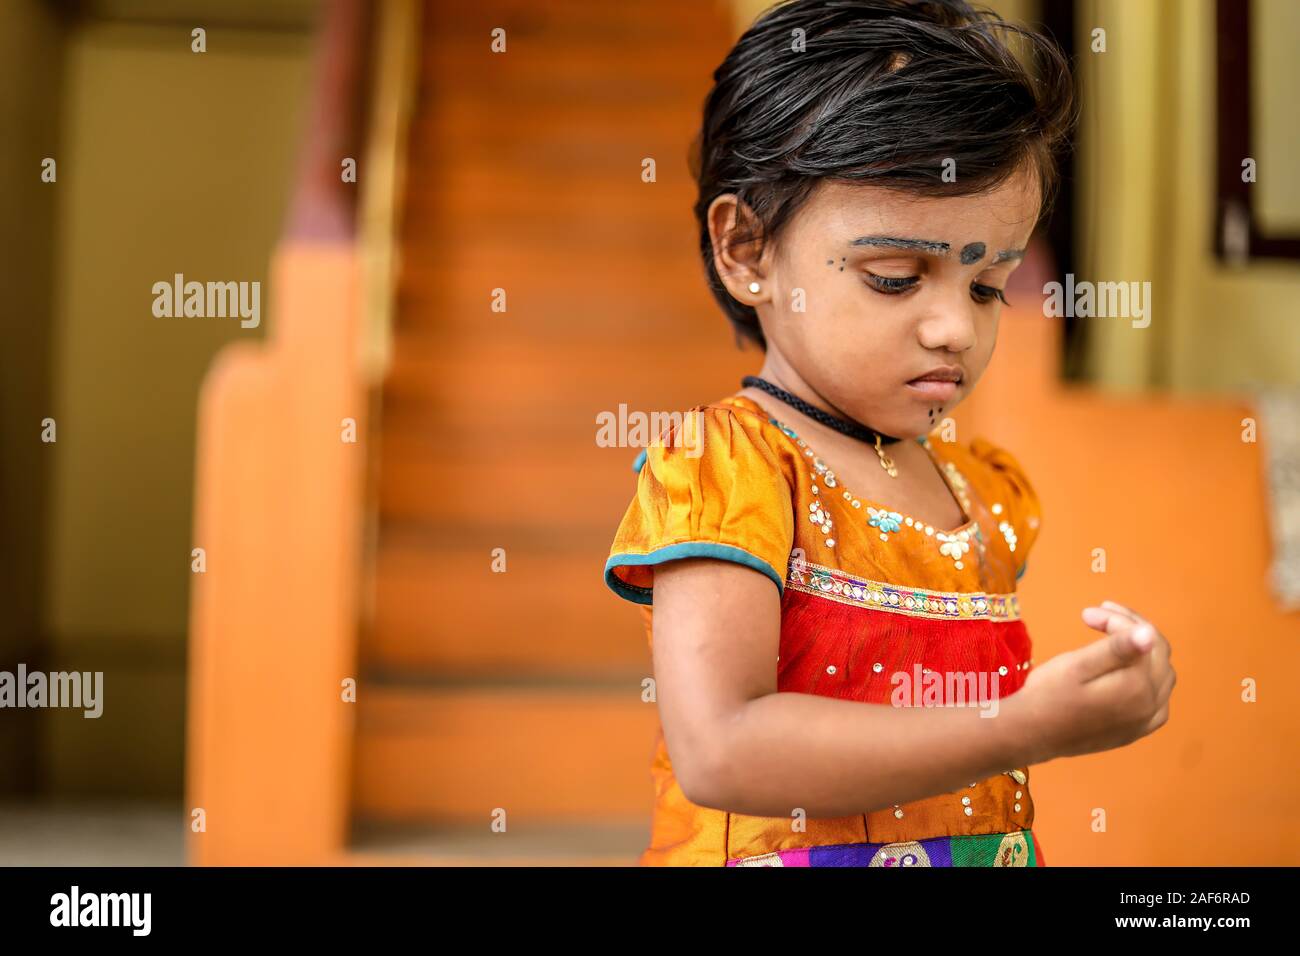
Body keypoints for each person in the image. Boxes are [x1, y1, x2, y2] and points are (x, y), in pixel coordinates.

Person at [601, 0, 1175, 866]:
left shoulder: (985, 489)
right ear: (748, 250)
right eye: (899, 277)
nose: (955, 328)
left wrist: (1097, 692)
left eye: (987, 286)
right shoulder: (730, 470)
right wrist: (1019, 726)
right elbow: (722, 747)